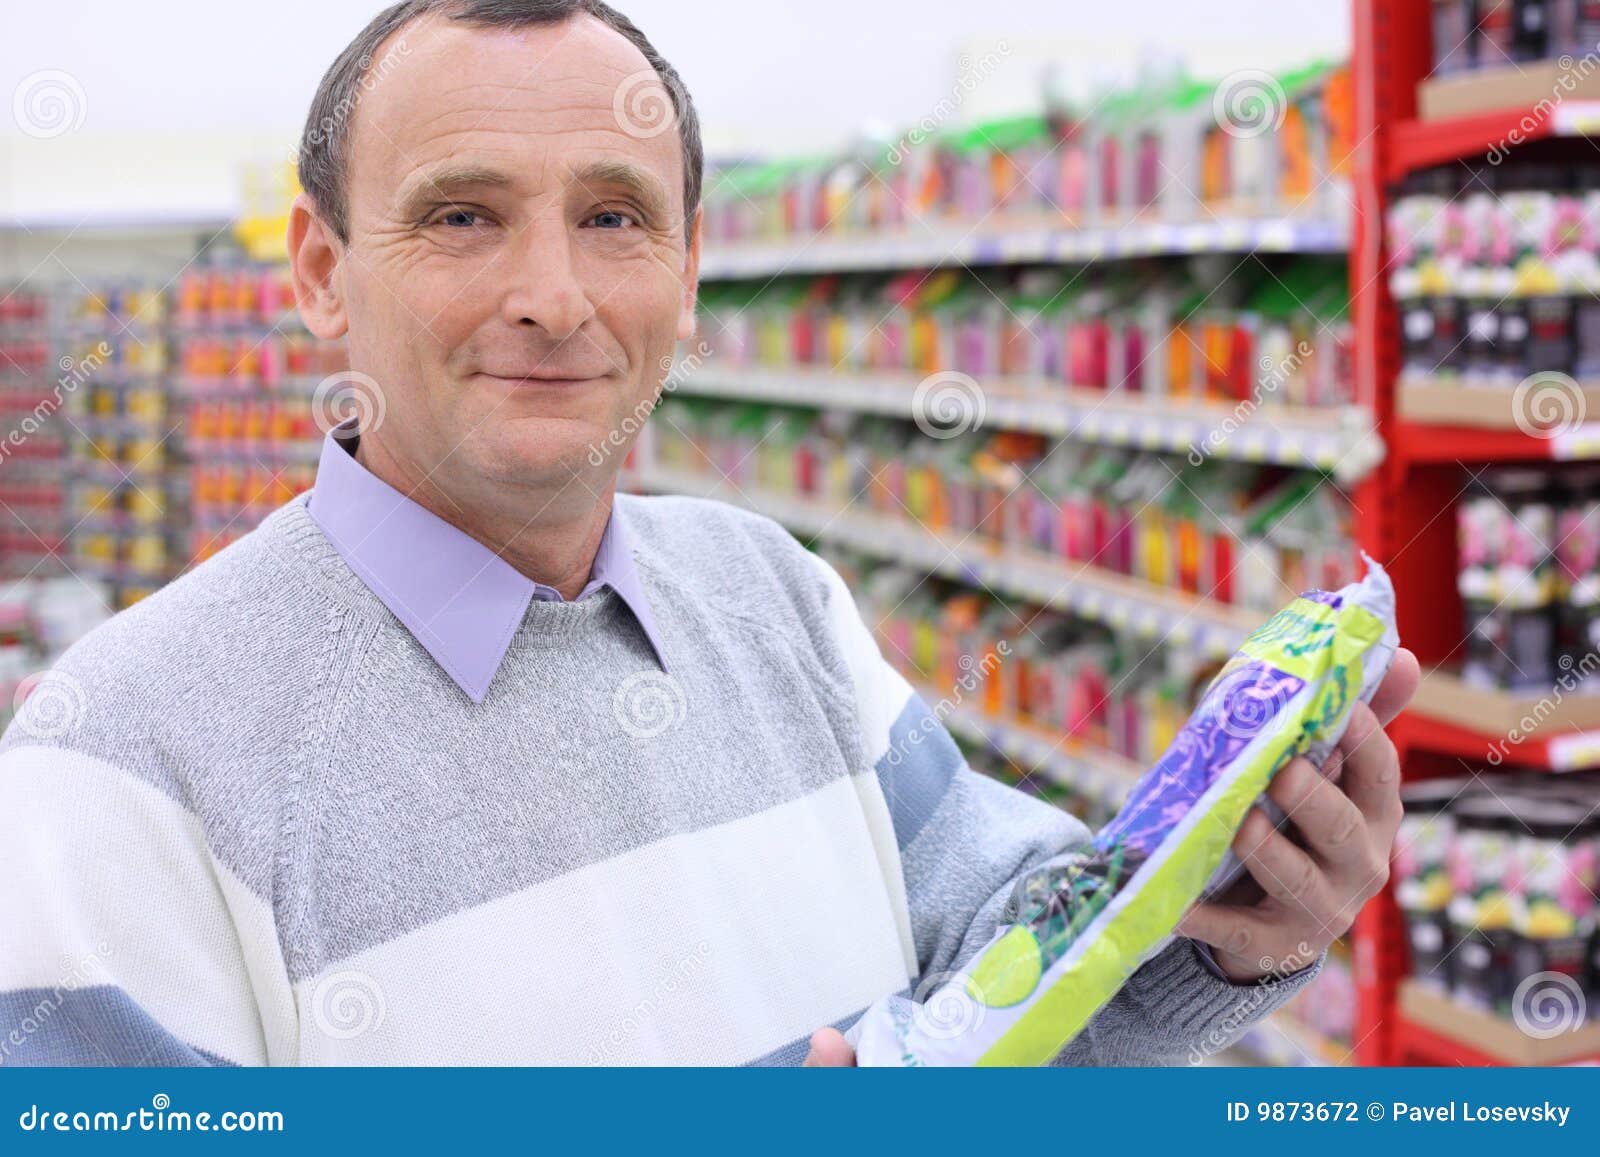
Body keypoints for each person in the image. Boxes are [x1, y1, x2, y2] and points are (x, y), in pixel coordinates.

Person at [0, 0, 1419, 1066]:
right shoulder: (115, 757)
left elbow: (997, 1008)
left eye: (614, 217)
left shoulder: (774, 593)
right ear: (322, 271)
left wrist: (1215, 919)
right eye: (464, 217)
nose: (552, 294)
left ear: (688, 273)